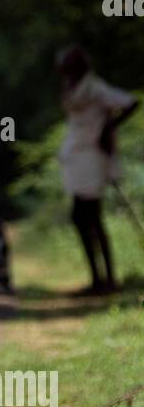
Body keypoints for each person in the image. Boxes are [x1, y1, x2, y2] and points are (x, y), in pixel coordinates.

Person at [56, 44, 138, 294]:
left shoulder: (95, 87)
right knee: (83, 219)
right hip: (77, 156)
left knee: (89, 217)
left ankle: (107, 279)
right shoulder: (73, 87)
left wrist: (108, 127)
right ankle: (98, 279)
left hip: (92, 157)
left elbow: (131, 102)